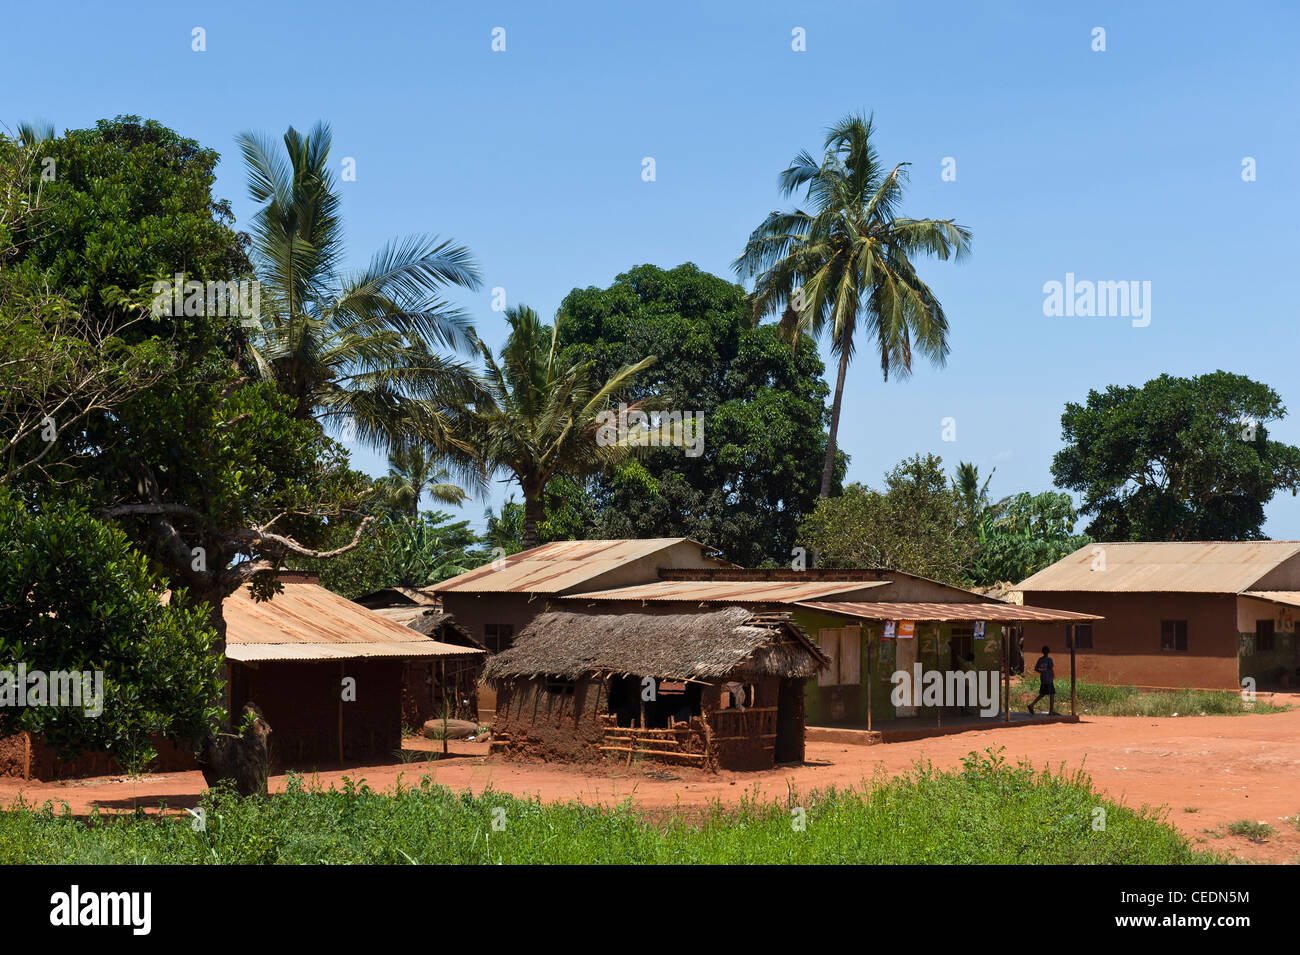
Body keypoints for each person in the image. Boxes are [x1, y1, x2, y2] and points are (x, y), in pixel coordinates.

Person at [1028, 645, 1057, 715]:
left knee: (1042, 694)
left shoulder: (1040, 660)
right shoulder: (1049, 660)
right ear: (1048, 652)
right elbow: (1051, 669)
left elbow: (1036, 668)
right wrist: (1053, 675)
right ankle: (1051, 711)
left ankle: (1031, 705)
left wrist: (1042, 672)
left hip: (1043, 678)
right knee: (1052, 694)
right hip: (1048, 679)